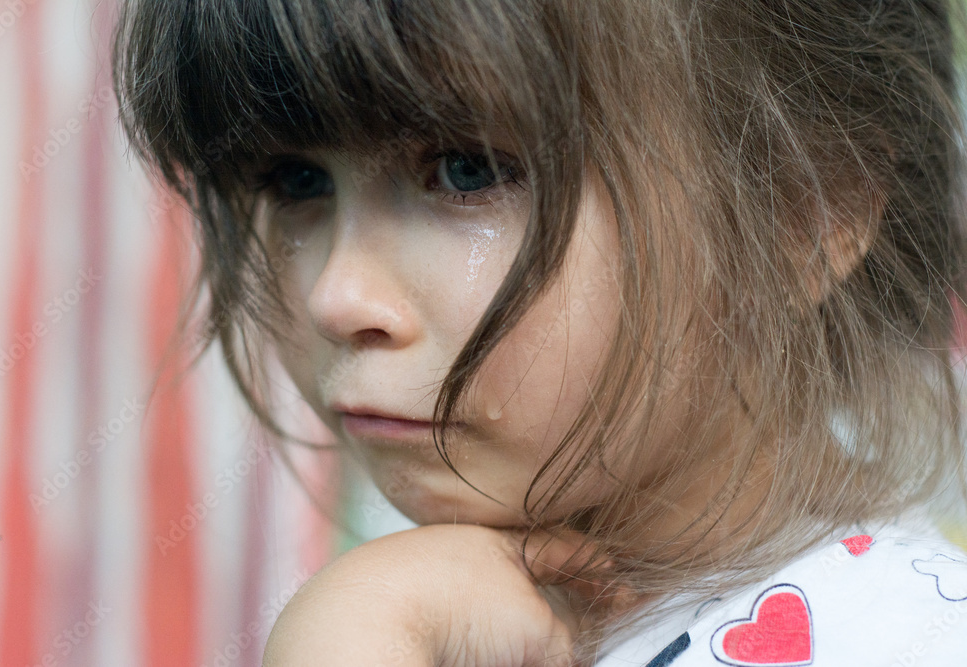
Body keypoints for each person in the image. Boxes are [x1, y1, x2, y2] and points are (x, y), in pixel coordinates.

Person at [112, 0, 967, 664]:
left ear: (806, 207)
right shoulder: (425, 606)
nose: (337, 295)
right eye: (296, 179)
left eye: (466, 169)